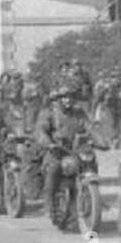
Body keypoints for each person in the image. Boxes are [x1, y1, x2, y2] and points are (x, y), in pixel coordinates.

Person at [35, 87, 90, 216]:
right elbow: (41, 131)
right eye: (65, 97)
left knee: (90, 162)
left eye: (70, 97)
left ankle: (92, 197)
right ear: (59, 99)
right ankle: (49, 204)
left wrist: (102, 141)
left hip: (76, 149)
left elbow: (89, 127)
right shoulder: (50, 113)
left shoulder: (79, 112)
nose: (68, 100)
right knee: (53, 169)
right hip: (57, 151)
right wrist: (49, 144)